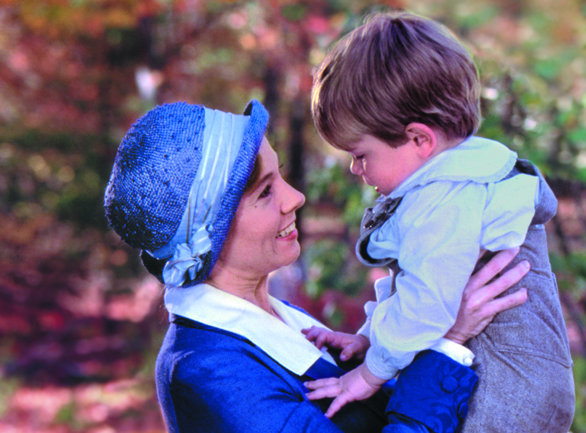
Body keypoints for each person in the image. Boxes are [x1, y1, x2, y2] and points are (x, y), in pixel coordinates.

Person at [103, 98, 529, 433]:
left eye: (280, 175)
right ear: (210, 234)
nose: (296, 198)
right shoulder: (208, 373)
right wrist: (448, 341)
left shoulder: (275, 320)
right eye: (266, 193)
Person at [307, 11, 575, 433]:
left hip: (508, 390)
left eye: (360, 154)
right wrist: (370, 339)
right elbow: (413, 283)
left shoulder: (445, 200)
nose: (356, 170)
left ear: (418, 140)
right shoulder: (460, 177)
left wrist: (368, 373)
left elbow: (426, 306)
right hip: (524, 382)